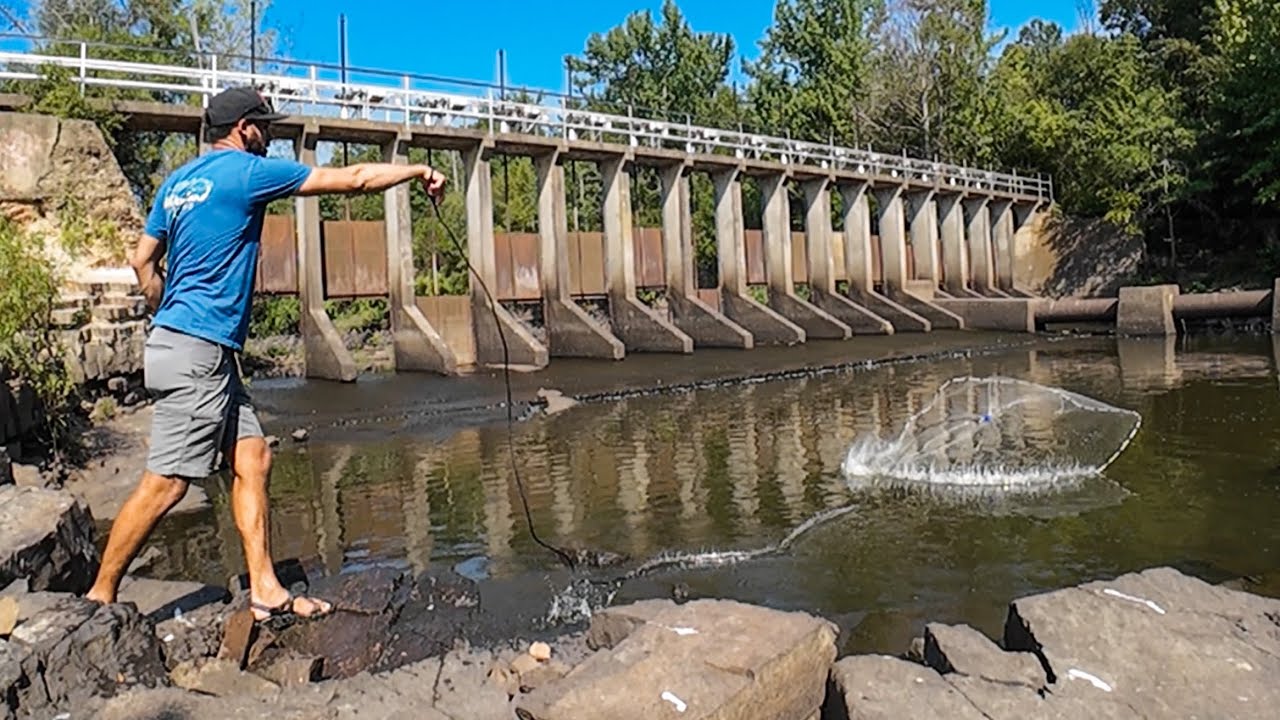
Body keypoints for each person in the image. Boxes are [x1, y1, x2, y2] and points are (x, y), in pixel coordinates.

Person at [85, 86, 447, 622]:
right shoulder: (247, 173)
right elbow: (354, 179)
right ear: (244, 128)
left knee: (253, 457)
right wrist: (416, 170)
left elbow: (142, 262)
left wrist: (168, 311)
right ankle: (99, 596)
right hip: (198, 349)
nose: (270, 135)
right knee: (168, 482)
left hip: (188, 345)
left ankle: (264, 588)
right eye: (266, 126)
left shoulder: (178, 182)